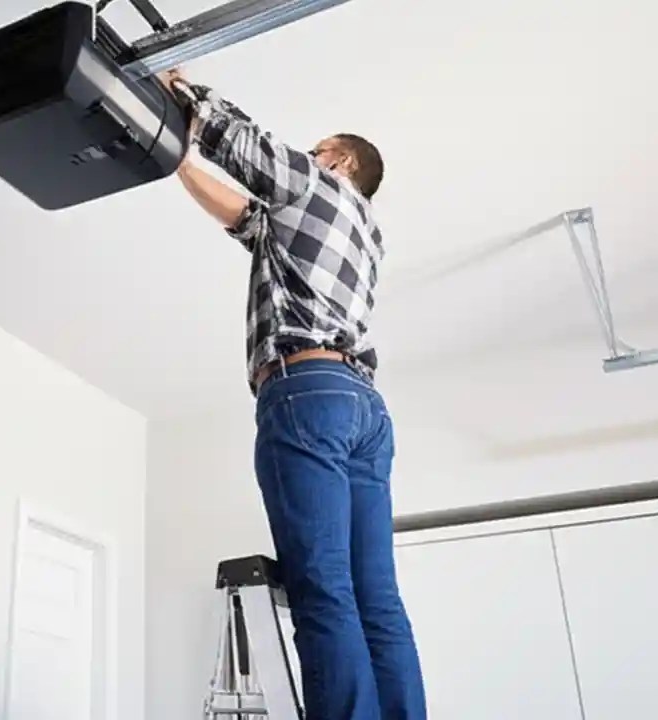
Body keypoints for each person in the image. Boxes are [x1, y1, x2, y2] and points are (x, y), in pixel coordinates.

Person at [159, 69, 427, 720]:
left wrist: (179, 86)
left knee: (324, 590)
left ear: (339, 160)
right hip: (362, 404)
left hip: (306, 391)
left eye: (317, 149)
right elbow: (249, 220)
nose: (307, 156)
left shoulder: (316, 184)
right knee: (375, 598)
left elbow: (240, 142)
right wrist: (173, 160)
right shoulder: (362, 233)